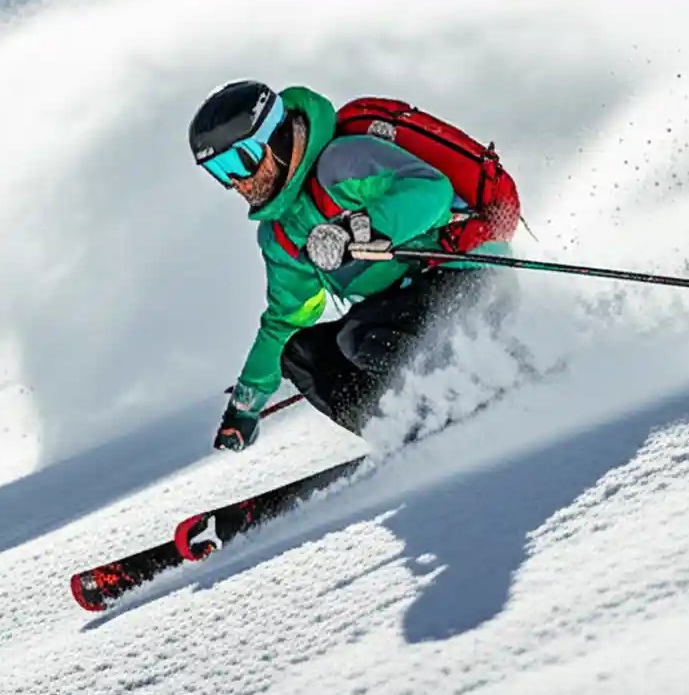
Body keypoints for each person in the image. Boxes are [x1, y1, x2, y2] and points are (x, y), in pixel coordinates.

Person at [188, 80, 516, 451]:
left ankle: (484, 387)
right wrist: (244, 407)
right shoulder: (281, 234)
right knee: (301, 354)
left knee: (361, 336)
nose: (236, 183)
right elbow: (286, 319)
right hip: (397, 312)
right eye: (219, 171)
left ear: (276, 138)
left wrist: (361, 228)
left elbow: (432, 191)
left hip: (467, 280)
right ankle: (409, 435)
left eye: (239, 161)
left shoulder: (340, 163)